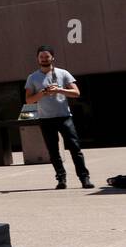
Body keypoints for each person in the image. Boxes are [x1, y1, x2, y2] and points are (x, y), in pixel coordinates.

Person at [24, 45, 93, 189]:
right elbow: (29, 100)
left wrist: (59, 90)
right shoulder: (32, 77)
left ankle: (84, 178)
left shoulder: (63, 73)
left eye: (47, 56)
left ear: (52, 57)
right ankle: (61, 179)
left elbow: (76, 93)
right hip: (46, 119)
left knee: (75, 148)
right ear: (37, 58)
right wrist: (42, 93)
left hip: (64, 117)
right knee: (53, 151)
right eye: (41, 56)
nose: (44, 59)